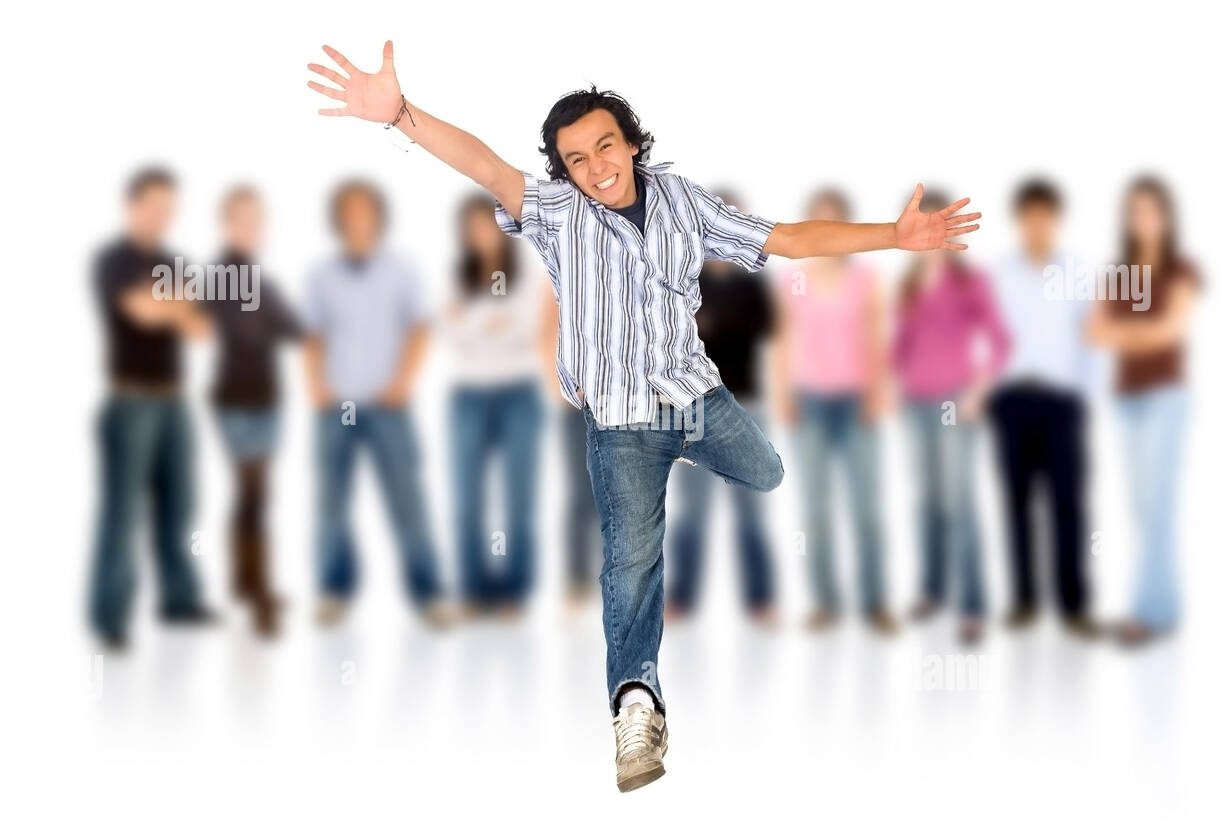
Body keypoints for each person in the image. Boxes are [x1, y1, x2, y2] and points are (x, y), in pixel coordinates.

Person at [306, 41, 980, 791]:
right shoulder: (557, 214)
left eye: (606, 146)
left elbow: (785, 240)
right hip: (622, 426)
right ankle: (637, 706)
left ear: (630, 142)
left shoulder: (684, 200)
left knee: (768, 471)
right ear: (563, 170)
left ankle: (693, 451)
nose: (598, 167)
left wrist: (893, 235)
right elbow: (485, 165)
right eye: (577, 159)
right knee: (631, 564)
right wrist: (399, 114)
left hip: (696, 400)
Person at [303, 178, 450, 627]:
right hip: (336, 405)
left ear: (378, 218)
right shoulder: (321, 275)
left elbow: (420, 328)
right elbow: (313, 334)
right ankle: (333, 590)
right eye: (349, 212)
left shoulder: (401, 270)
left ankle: (429, 593)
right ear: (339, 220)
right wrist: (316, 386)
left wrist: (403, 382)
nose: (357, 220)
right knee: (331, 503)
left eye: (365, 211)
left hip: (388, 405)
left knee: (407, 500)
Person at [87, 167, 216, 649]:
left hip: (173, 402)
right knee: (122, 512)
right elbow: (141, 311)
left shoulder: (172, 261)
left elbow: (201, 330)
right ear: (132, 205)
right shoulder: (113, 260)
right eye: (153, 205)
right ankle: (110, 617)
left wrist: (173, 306)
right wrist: (176, 306)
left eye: (169, 207)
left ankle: (179, 601)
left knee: (180, 506)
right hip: (131, 401)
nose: (162, 215)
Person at [773, 187, 895, 634]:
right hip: (810, 402)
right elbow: (784, 339)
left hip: (857, 401)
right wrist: (782, 393)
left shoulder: (866, 278)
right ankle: (824, 601)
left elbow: (877, 337)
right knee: (815, 509)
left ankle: (876, 601)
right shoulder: (794, 280)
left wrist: (878, 393)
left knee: (867, 507)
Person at [988, 179, 1105, 639]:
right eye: (1028, 215)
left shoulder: (1077, 270)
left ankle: (1074, 605)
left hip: (1062, 402)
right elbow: (987, 337)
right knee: (1015, 502)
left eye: (1045, 215)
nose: (1037, 224)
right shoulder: (998, 273)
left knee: (1068, 504)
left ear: (1056, 219)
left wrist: (1085, 398)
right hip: (1012, 399)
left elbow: (1093, 339)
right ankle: (1023, 599)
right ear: (1019, 220)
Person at [1086, 176, 1199, 646]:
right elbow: (1093, 332)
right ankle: (1167, 607)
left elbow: (1171, 331)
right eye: (1134, 210)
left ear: (1166, 217)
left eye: (1151, 209)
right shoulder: (1119, 274)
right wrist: (1138, 335)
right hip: (1127, 398)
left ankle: (1142, 615)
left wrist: (1126, 335)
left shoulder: (1181, 269)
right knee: (1143, 507)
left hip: (1166, 398)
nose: (1143, 218)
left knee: (1158, 506)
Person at [893, 189, 1009, 646]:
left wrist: (980, 389)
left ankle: (974, 605)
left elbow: (999, 340)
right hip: (916, 405)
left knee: (960, 503)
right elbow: (900, 345)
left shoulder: (969, 281)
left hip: (957, 404)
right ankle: (932, 590)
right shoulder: (907, 283)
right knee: (928, 500)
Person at [664, 188, 778, 627]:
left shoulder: (753, 284)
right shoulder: (682, 281)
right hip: (696, 406)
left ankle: (761, 599)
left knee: (752, 507)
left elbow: (766, 336)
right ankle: (682, 598)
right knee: (693, 510)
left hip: (747, 405)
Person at [441, 193, 553, 618]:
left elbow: (527, 327)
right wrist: (489, 324)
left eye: (486, 225)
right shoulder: (455, 275)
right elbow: (447, 333)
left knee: (519, 497)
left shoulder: (526, 273)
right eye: (471, 228)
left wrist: (474, 323)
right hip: (468, 395)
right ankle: (472, 590)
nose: (479, 234)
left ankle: (512, 593)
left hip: (518, 395)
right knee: (466, 498)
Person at [204, 185, 302, 637]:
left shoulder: (258, 278)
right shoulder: (222, 275)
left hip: (266, 398)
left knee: (254, 493)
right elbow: (242, 328)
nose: (251, 227)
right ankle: (257, 589)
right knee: (253, 491)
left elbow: (289, 327)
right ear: (227, 224)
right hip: (236, 400)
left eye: (256, 219)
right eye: (241, 219)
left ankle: (246, 581)